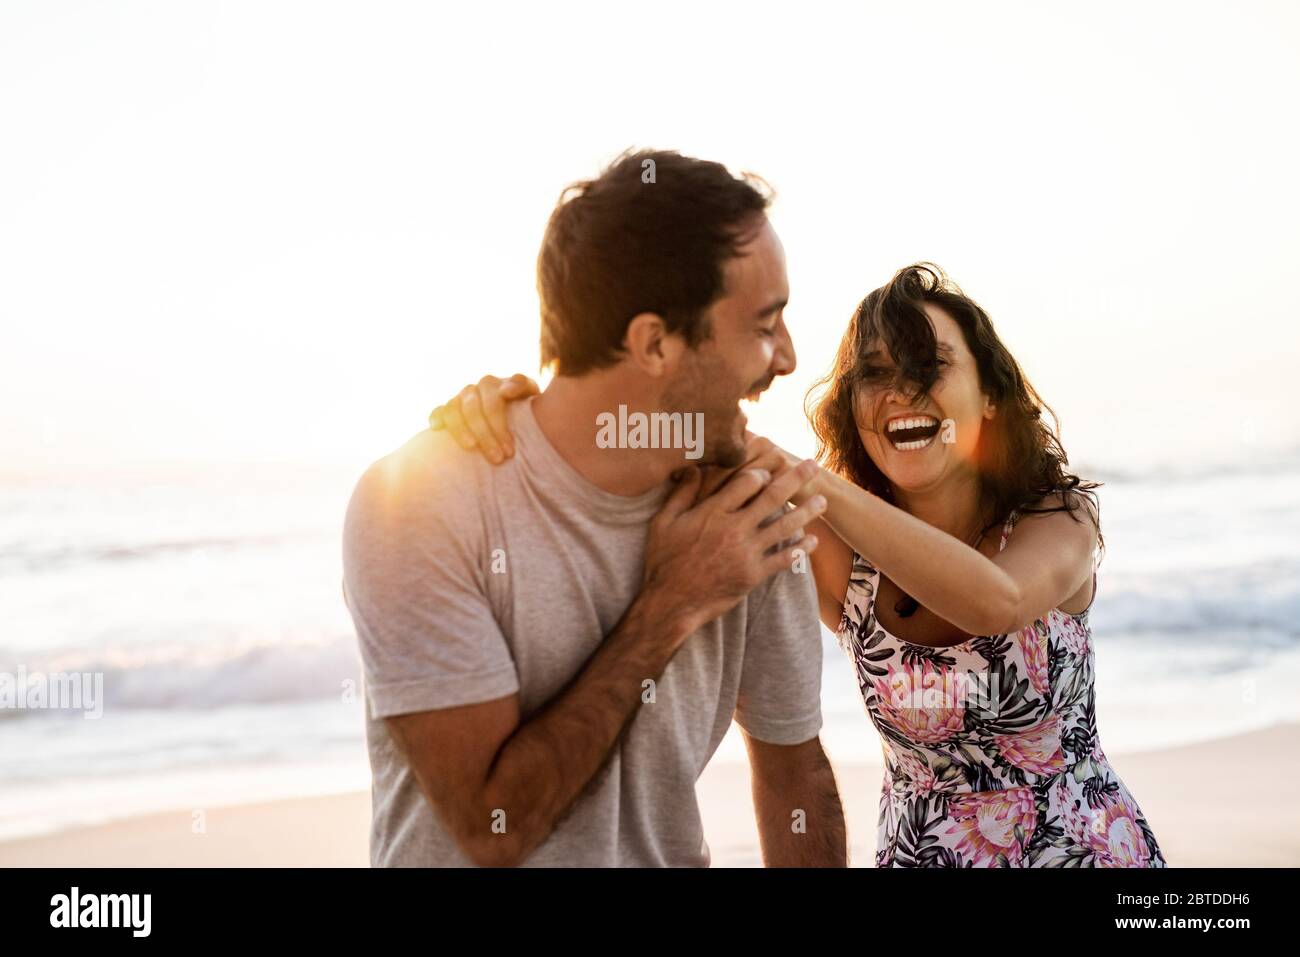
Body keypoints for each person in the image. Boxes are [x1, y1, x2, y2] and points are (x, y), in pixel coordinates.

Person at [433, 262, 1167, 868]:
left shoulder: (1057, 518)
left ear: (992, 399)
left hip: (1088, 854)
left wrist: (810, 482)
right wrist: (522, 412)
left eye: (931, 367)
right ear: (852, 407)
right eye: (875, 373)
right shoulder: (831, 547)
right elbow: (646, 456)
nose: (902, 391)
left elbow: (995, 600)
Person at [342, 149, 846, 867]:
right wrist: (672, 602)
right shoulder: (423, 500)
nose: (790, 358)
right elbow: (493, 827)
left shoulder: (753, 510)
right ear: (653, 343)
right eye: (765, 324)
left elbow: (794, 776)